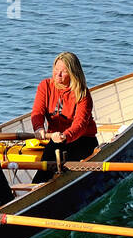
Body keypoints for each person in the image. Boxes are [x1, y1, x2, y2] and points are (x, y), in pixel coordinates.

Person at [30, 52, 98, 183]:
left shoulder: (82, 94)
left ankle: (39, 187)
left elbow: (80, 125)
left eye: (63, 71)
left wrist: (65, 136)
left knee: (52, 155)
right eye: (56, 70)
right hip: (56, 139)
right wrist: (38, 128)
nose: (58, 74)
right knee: (49, 159)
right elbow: (37, 112)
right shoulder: (45, 86)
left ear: (73, 73)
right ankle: (36, 188)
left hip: (82, 140)